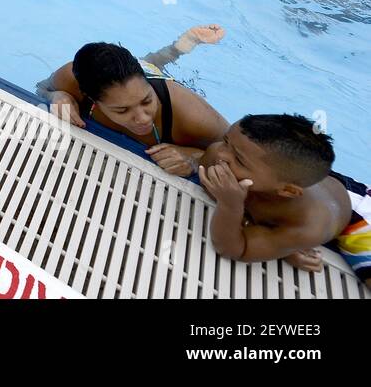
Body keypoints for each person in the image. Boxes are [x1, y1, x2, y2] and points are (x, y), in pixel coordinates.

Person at [198, 114, 369, 284]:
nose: (220, 154)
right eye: (226, 141)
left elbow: (233, 249)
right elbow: (206, 173)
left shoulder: (306, 226)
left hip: (359, 212)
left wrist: (230, 206)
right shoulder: (230, 156)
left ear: (287, 190)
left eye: (239, 160)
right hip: (313, 183)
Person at [39, 26, 228, 174]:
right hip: (136, 77)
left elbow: (238, 152)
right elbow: (42, 88)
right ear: (91, 99)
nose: (144, 119)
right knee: (148, 64)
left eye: (147, 101)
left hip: (156, 83)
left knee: (152, 65)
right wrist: (57, 95)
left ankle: (182, 45)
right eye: (122, 110)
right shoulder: (71, 79)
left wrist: (196, 157)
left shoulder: (191, 115)